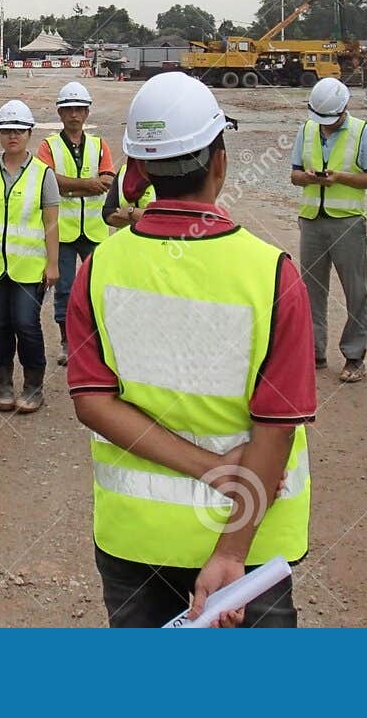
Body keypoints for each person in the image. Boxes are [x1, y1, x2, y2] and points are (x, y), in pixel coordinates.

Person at [67, 72, 314, 628]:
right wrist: (228, 550)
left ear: (137, 169)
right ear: (219, 162)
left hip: (138, 539)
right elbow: (276, 425)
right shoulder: (273, 275)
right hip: (249, 544)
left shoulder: (96, 270)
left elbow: (93, 401)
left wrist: (208, 470)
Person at [0, 99, 59, 413]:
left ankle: (34, 386)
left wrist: (53, 263)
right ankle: (3, 385)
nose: (12, 136)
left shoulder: (43, 174)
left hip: (29, 267)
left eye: (19, 130)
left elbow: (51, 222)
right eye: (6, 130)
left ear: (29, 133)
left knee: (26, 325)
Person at [289, 76, 367, 381]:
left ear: (344, 108)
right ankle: (314, 352)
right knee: (312, 291)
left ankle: (355, 356)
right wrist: (309, 177)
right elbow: (295, 175)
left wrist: (339, 178)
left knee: (355, 291)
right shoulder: (307, 129)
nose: (325, 124)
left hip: (347, 223)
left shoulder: (362, 132)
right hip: (312, 220)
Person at [36, 81, 114, 367]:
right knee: (64, 289)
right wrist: (85, 185)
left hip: (94, 230)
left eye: (79, 109)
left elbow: (107, 181)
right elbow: (48, 181)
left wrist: (69, 188)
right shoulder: (49, 146)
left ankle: (96, 341)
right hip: (63, 232)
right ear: (60, 112)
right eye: (69, 109)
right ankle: (68, 342)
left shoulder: (99, 145)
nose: (74, 115)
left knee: (98, 287)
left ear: (87, 113)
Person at [101, 165, 155, 235]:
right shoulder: (125, 170)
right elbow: (107, 214)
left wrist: (131, 212)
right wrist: (144, 218)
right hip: (126, 241)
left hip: (157, 242)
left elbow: (165, 217)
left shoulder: (168, 172)